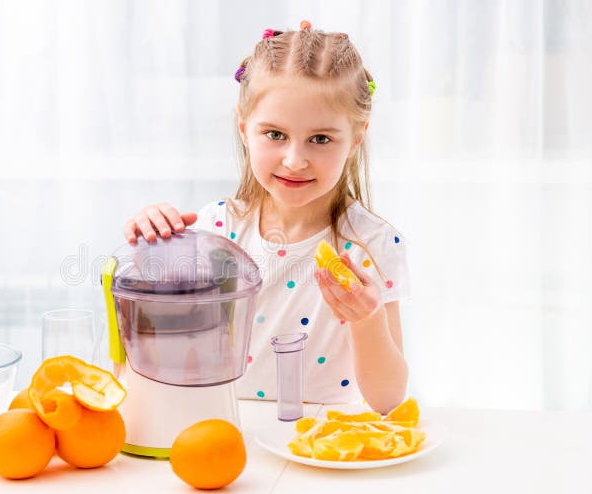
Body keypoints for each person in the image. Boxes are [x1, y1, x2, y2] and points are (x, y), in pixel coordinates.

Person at [122, 21, 410, 414]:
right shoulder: (215, 232)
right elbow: (161, 352)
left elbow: (388, 400)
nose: (294, 160)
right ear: (244, 128)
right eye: (275, 134)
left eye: (321, 139)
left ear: (357, 137)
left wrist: (367, 319)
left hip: (320, 443)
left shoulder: (372, 246)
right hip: (226, 434)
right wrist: (152, 248)